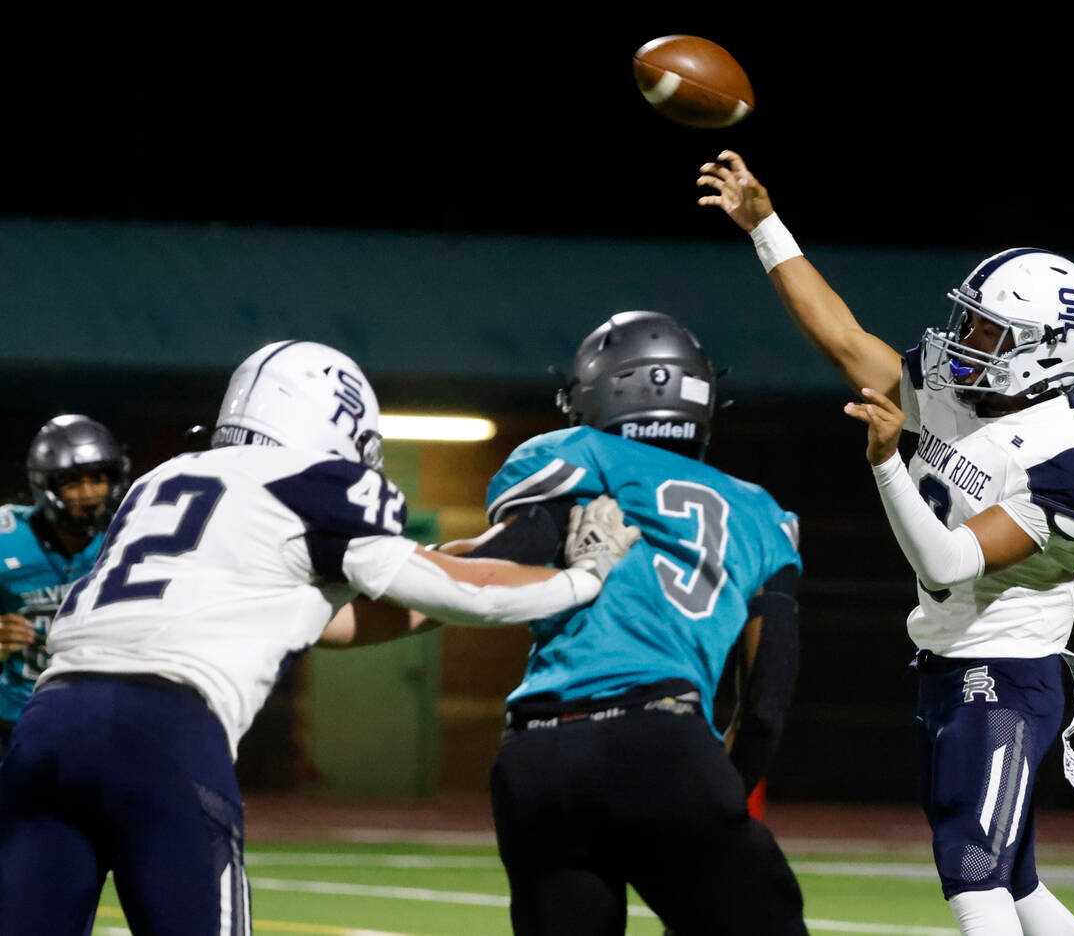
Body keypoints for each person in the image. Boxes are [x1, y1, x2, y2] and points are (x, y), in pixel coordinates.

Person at [0, 340, 640, 936]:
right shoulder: (316, 483)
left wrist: (445, 576)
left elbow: (315, 614)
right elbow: (463, 588)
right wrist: (582, 579)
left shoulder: (161, 483)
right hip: (163, 731)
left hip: (47, 727)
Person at [698, 151, 1074, 936]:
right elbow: (840, 338)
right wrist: (763, 222)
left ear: (1049, 350)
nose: (964, 339)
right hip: (950, 665)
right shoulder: (957, 388)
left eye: (990, 330)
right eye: (970, 318)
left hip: (1004, 676)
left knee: (973, 877)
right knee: (1021, 884)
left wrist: (885, 463)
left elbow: (946, 561)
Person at [455, 311, 808, 935]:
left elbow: (488, 571)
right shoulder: (761, 514)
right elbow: (763, 710)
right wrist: (710, 798)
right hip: (659, 743)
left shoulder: (579, 460)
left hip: (537, 754)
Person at [0, 414, 131, 755]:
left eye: (98, 479)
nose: (88, 494)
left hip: (98, 721)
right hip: (11, 721)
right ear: (45, 485)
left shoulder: (127, 540)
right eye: (73, 482)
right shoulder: (7, 538)